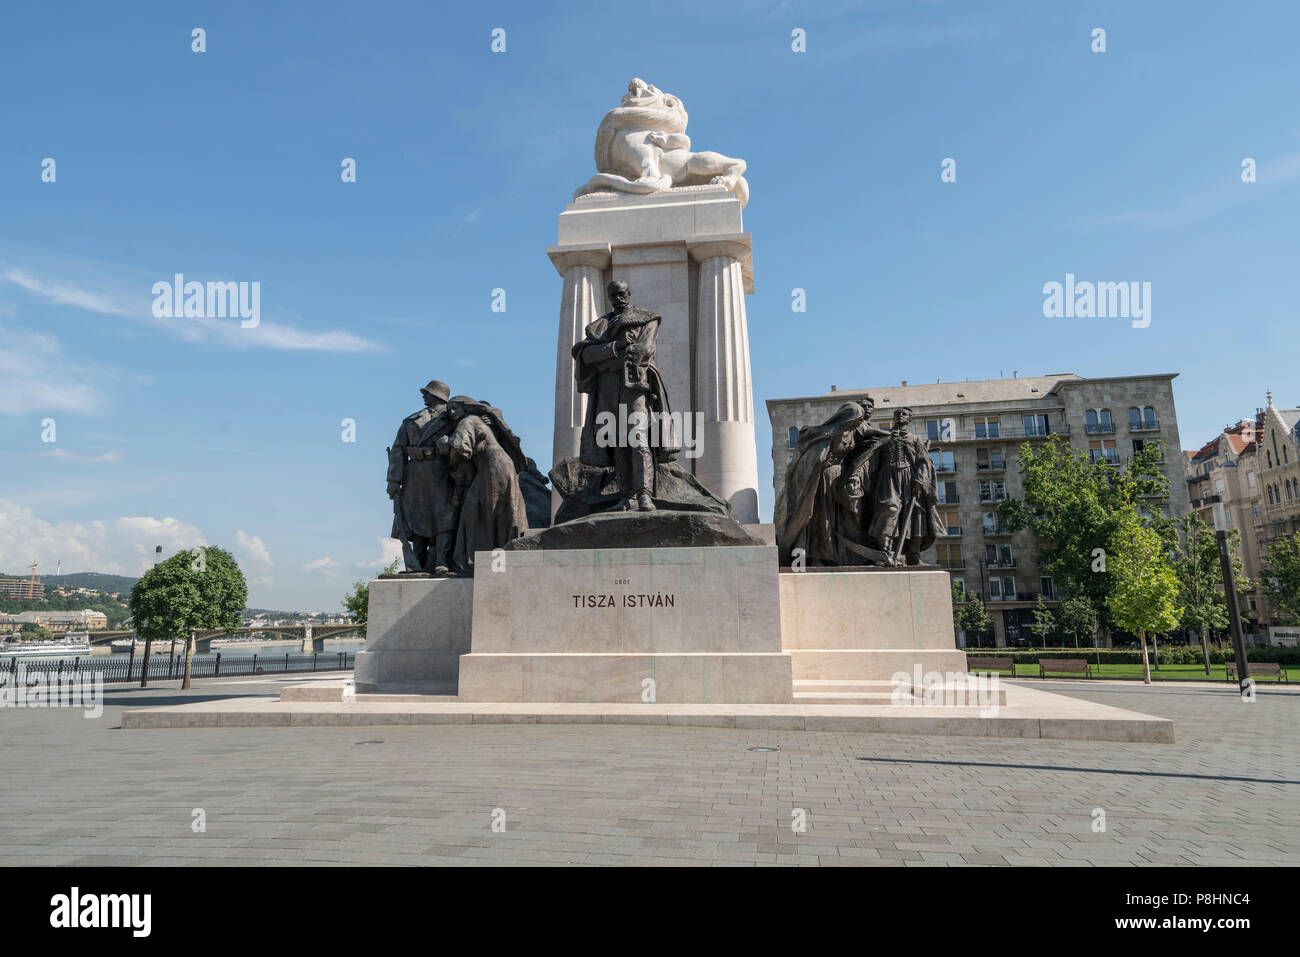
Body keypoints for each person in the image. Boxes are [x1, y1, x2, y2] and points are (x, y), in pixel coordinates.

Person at [572, 280, 675, 511]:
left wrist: (607, 358)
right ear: (609, 297)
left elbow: (643, 351)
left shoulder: (647, 318)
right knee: (618, 443)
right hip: (607, 388)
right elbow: (585, 355)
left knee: (638, 439)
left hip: (634, 386)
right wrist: (616, 348)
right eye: (613, 295)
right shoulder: (600, 325)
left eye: (621, 294)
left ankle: (644, 494)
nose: (618, 298)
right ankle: (627, 494)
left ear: (628, 294)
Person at [444, 397, 530, 570]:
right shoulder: (478, 421)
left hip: (494, 467)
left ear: (466, 407)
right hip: (497, 465)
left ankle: (487, 557)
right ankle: (482, 556)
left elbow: (461, 448)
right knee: (475, 508)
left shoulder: (468, 421)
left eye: (454, 408)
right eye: (448, 410)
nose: (451, 412)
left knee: (491, 510)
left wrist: (445, 445)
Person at [387, 380, 458, 574]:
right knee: (414, 517)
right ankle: (416, 561)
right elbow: (398, 451)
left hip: (442, 472)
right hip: (415, 474)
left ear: (437, 395)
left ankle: (442, 560)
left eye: (427, 392)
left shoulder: (454, 418)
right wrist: (393, 480)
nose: (423, 395)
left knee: (444, 517)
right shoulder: (411, 420)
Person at [864, 407, 944, 565]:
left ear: (909, 419)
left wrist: (920, 480)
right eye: (897, 414)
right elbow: (872, 461)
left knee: (915, 513)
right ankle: (886, 551)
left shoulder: (915, 439)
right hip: (887, 479)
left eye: (904, 414)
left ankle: (914, 554)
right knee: (888, 510)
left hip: (909, 479)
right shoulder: (884, 437)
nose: (900, 416)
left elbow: (924, 461)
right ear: (893, 418)